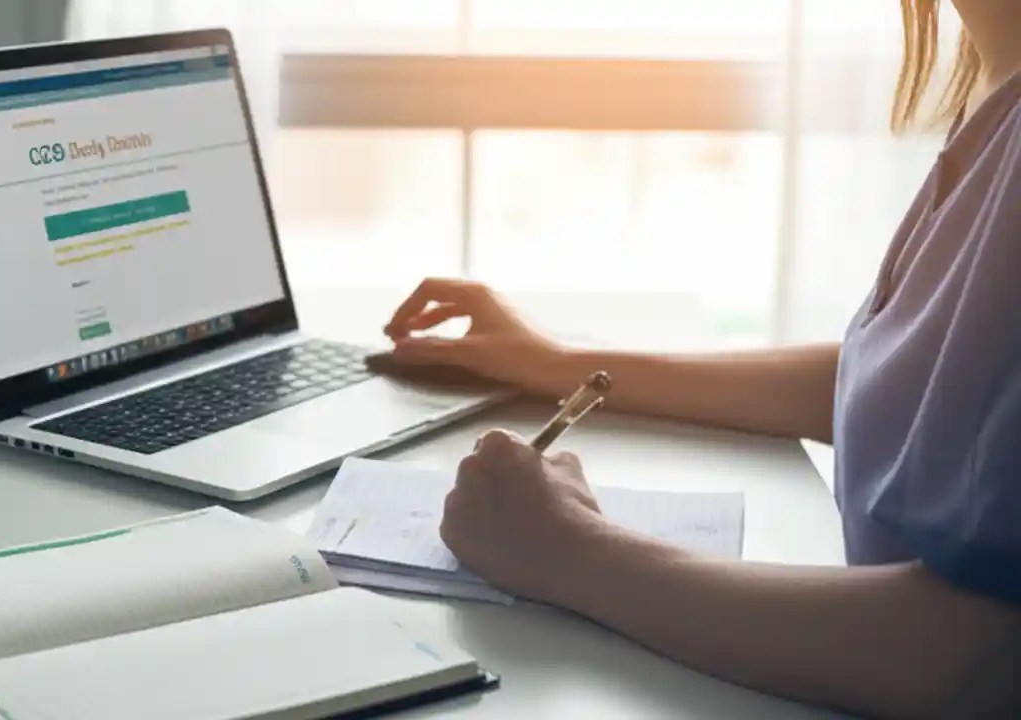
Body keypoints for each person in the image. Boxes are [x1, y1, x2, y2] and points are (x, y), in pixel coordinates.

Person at [382, 1, 1020, 716]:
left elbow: (979, 655)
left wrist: (570, 550)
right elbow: (906, 384)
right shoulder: (996, 75)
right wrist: (556, 362)